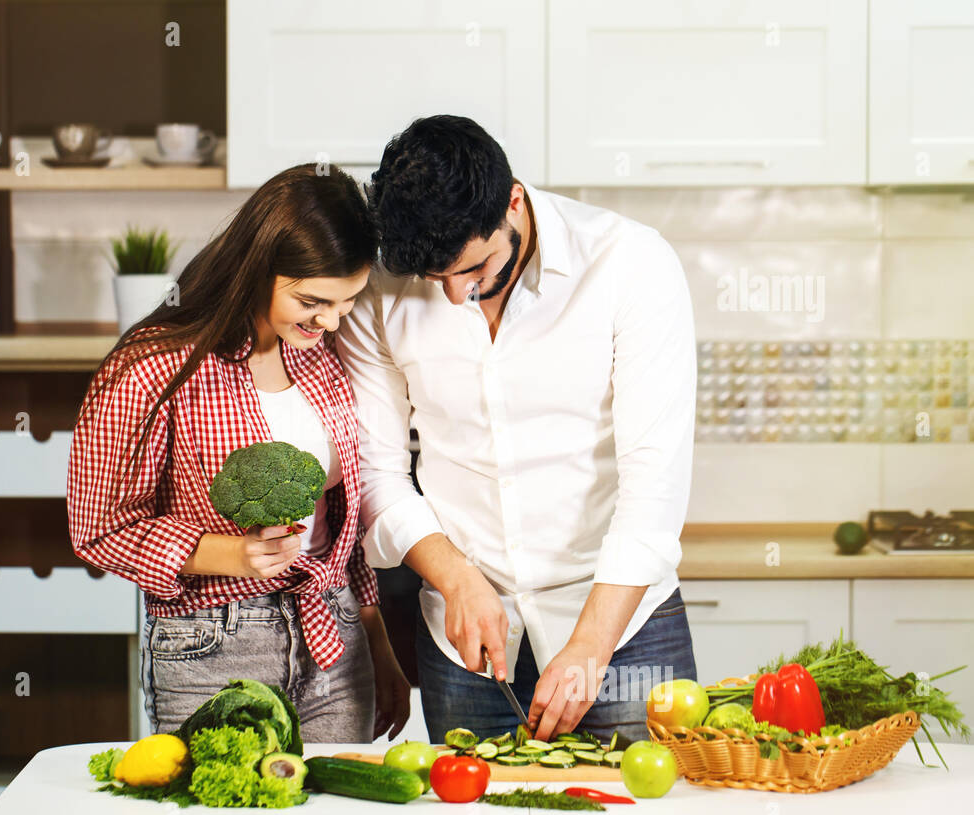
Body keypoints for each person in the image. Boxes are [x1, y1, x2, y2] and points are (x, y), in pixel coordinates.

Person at [335, 116, 698, 745]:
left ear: (514, 200)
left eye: (474, 270)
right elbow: (376, 473)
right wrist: (453, 575)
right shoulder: (381, 289)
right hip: (464, 633)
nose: (453, 297)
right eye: (433, 279)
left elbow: (654, 491)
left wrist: (589, 647)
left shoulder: (629, 264)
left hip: (622, 626)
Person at [68, 163, 411, 744]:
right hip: (213, 646)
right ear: (260, 267)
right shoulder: (155, 364)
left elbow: (343, 528)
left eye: (346, 302)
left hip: (335, 637)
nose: (330, 321)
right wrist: (230, 554)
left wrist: (380, 648)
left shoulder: (322, 357)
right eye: (312, 301)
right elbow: (97, 530)